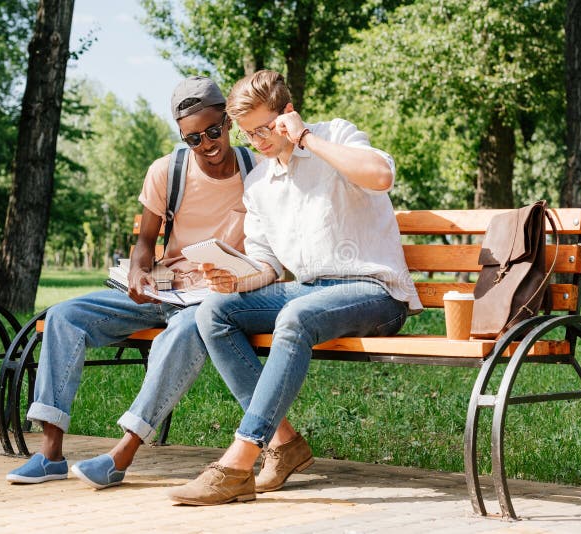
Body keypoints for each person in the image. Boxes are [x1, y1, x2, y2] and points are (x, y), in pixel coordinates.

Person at [167, 70, 422, 506]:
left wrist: (306, 138)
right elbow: (267, 265)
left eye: (266, 129)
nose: (259, 143)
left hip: (376, 293)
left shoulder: (333, 136)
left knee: (295, 317)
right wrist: (237, 278)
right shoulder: (260, 184)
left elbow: (381, 176)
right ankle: (283, 445)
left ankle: (237, 462)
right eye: (248, 136)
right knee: (214, 312)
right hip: (310, 292)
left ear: (288, 113)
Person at [6, 76, 253, 489]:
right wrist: (140, 272)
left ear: (228, 121)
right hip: (168, 288)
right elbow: (144, 243)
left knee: (180, 333)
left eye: (213, 131)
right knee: (65, 316)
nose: (207, 144)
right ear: (181, 136)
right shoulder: (167, 171)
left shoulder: (256, 171)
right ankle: (49, 452)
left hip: (217, 299)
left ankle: (123, 453)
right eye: (193, 139)